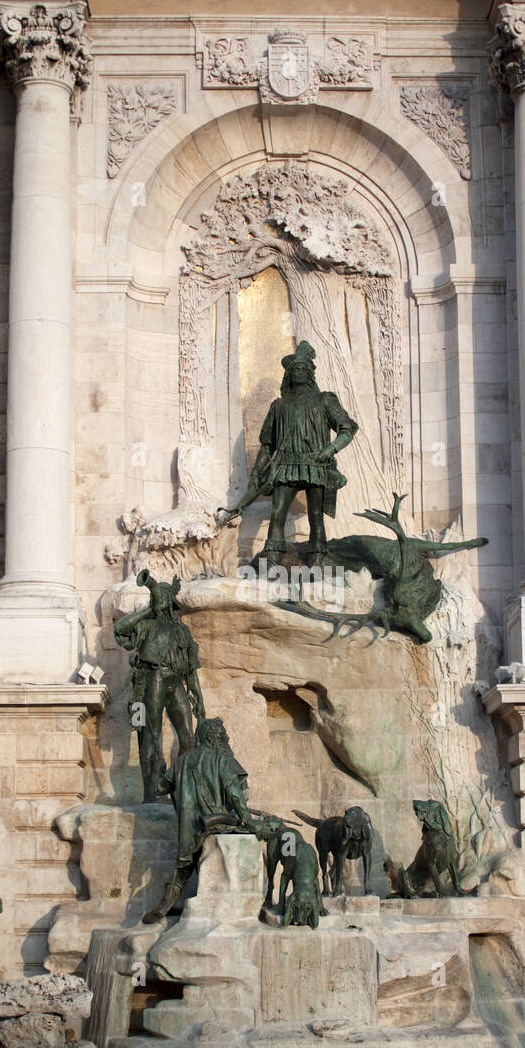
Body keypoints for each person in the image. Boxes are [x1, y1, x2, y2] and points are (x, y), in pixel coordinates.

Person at [217, 340, 358, 567]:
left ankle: (318, 554)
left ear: (310, 374)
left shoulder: (325, 400)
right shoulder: (279, 405)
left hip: (316, 464)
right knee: (278, 511)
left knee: (315, 515)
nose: (299, 373)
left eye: (303, 369)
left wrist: (330, 449)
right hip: (286, 464)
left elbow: (348, 427)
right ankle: (272, 553)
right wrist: (257, 473)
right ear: (288, 375)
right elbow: (267, 445)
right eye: (295, 370)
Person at [142, 717, 259, 924]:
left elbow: (160, 788)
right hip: (217, 822)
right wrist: (248, 820)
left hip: (190, 829)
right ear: (215, 736)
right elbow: (235, 793)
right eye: (223, 733)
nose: (227, 736)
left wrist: (159, 769)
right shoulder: (222, 759)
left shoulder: (182, 761)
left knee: (184, 866)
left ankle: (165, 905)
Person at [114, 569, 205, 802]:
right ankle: (150, 795)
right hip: (152, 679)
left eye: (162, 597)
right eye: (156, 598)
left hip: (176, 681)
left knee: (188, 737)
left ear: (170, 601)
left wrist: (199, 698)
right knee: (150, 738)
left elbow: (190, 669)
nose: (160, 601)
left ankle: (181, 788)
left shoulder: (182, 630)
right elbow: (120, 629)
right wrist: (146, 612)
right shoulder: (145, 626)